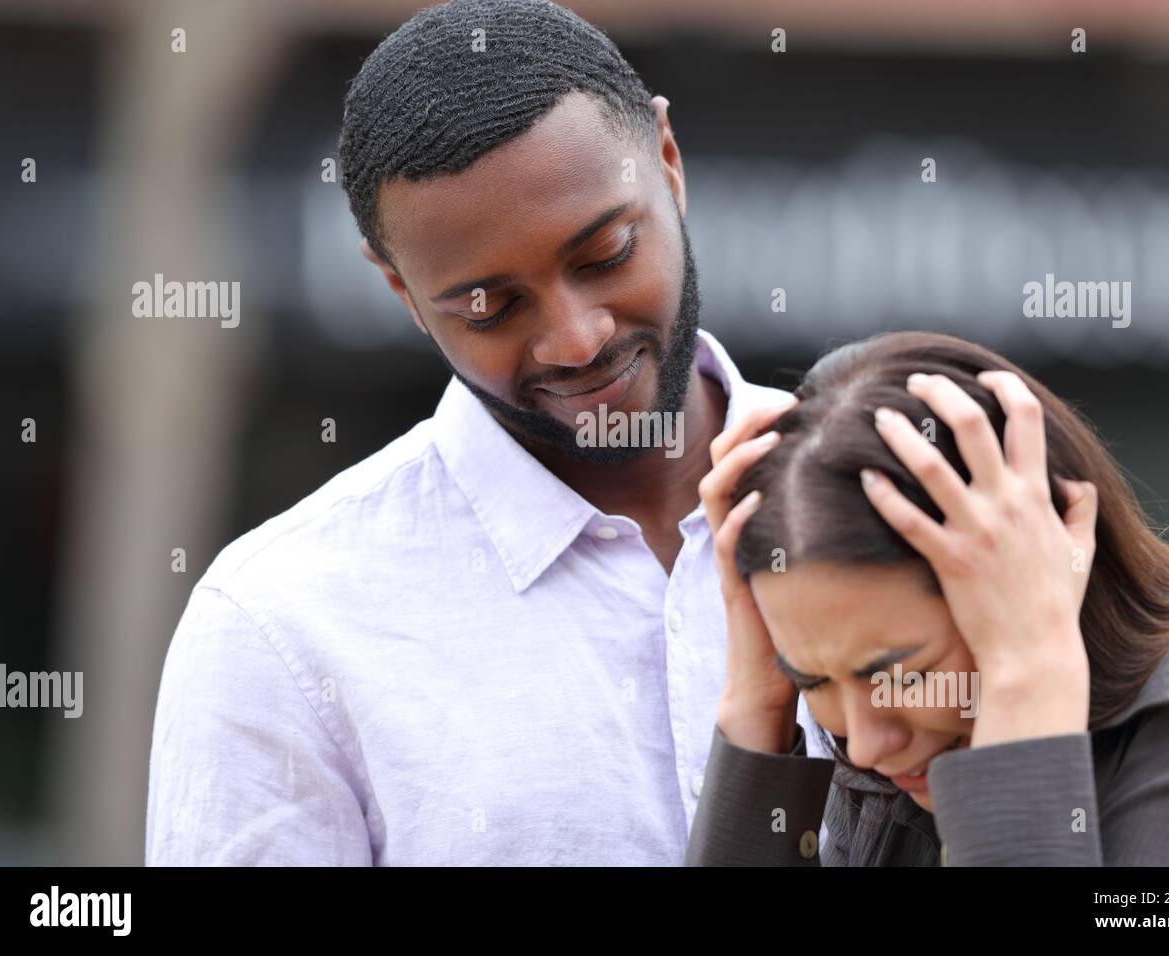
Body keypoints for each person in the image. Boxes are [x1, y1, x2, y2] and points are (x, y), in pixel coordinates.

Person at [144, 0, 821, 865]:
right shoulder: (280, 625)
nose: (578, 339)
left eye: (607, 254)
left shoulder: (903, 495)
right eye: (489, 306)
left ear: (669, 162)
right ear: (400, 294)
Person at [687, 330, 1169, 866]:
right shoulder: (893, 768)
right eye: (814, 682)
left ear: (1036, 568)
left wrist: (1028, 672)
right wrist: (757, 696)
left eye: (905, 674)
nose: (866, 746)